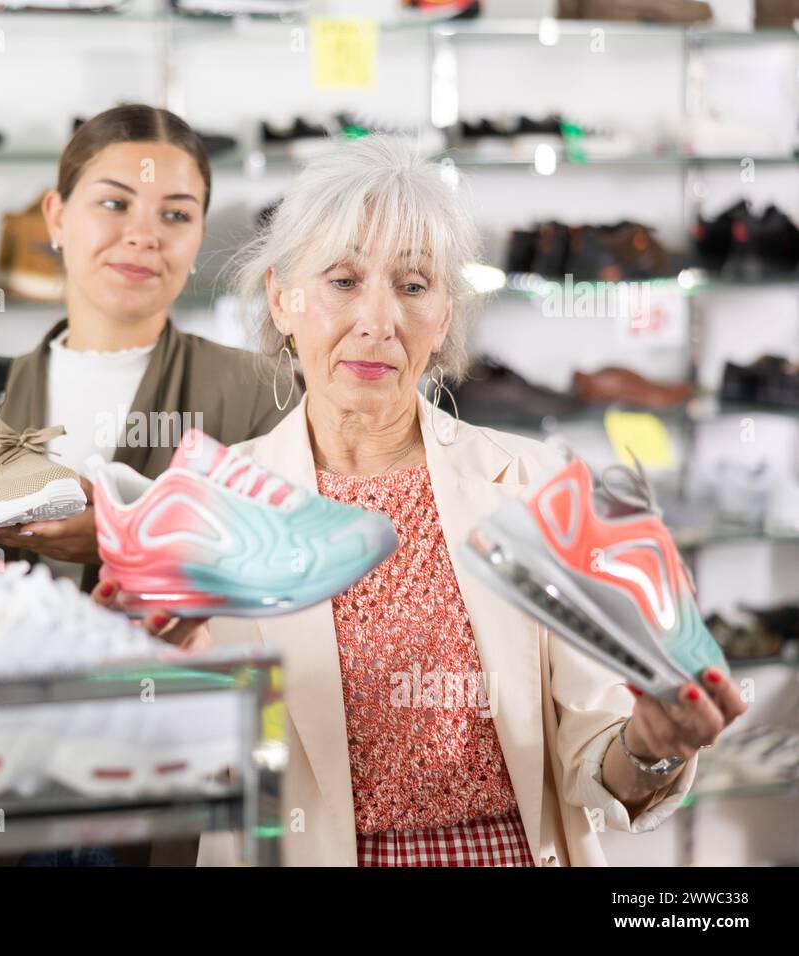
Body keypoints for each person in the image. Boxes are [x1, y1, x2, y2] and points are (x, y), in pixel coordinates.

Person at [96, 136, 748, 866]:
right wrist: (155, 684)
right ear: (282, 299)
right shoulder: (207, 507)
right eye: (343, 281)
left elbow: (600, 760)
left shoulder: (537, 484)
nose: (379, 321)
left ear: (444, 316)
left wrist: (652, 748)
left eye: (412, 286)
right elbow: (172, 771)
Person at [0, 103, 296, 602]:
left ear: (198, 236)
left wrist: (127, 541)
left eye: (176, 214)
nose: (144, 236)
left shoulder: (260, 392)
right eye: (114, 203)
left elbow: (291, 572)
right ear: (57, 218)